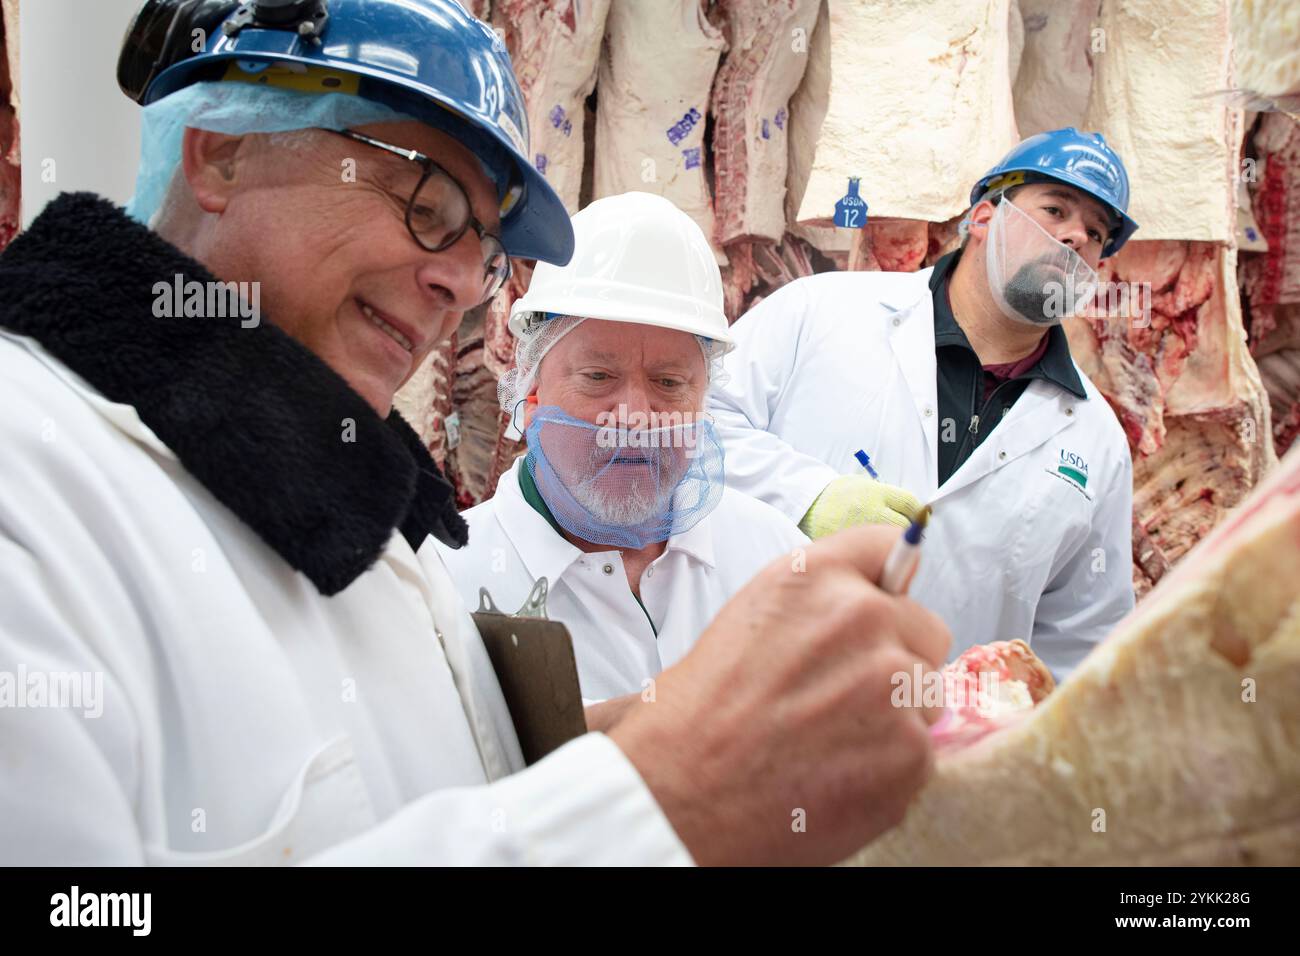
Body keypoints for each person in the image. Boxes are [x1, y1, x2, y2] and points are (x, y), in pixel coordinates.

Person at [0, 0, 949, 866]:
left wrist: (672, 736)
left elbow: (436, 801)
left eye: (483, 247)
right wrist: (660, 793)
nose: (459, 281)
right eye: (428, 205)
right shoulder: (31, 480)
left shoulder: (381, 539)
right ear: (221, 154)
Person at [708, 128, 1139, 680]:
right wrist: (808, 496)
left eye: (1098, 234)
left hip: (945, 743)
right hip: (756, 693)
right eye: (1055, 209)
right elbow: (692, 426)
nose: (1076, 236)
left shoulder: (1096, 440)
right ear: (984, 217)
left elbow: (1084, 635)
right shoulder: (821, 311)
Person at [436, 191, 808, 703]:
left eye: (670, 382)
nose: (634, 417)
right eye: (598, 376)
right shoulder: (444, 581)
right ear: (531, 388)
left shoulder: (775, 556)